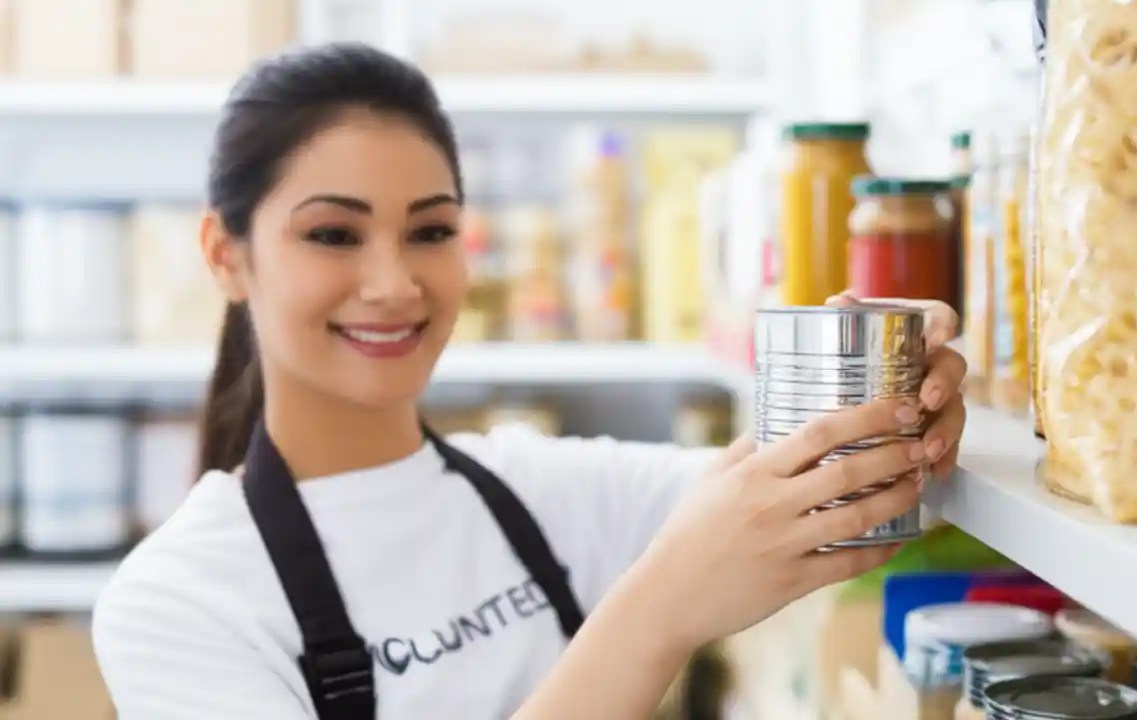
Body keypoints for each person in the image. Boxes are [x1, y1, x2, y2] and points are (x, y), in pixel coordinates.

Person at [91, 43, 968, 720]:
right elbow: (682, 577)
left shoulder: (544, 490)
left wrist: (890, 388)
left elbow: (818, 501)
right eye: (333, 235)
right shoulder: (178, 600)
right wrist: (654, 614)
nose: (395, 283)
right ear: (225, 255)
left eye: (431, 232)